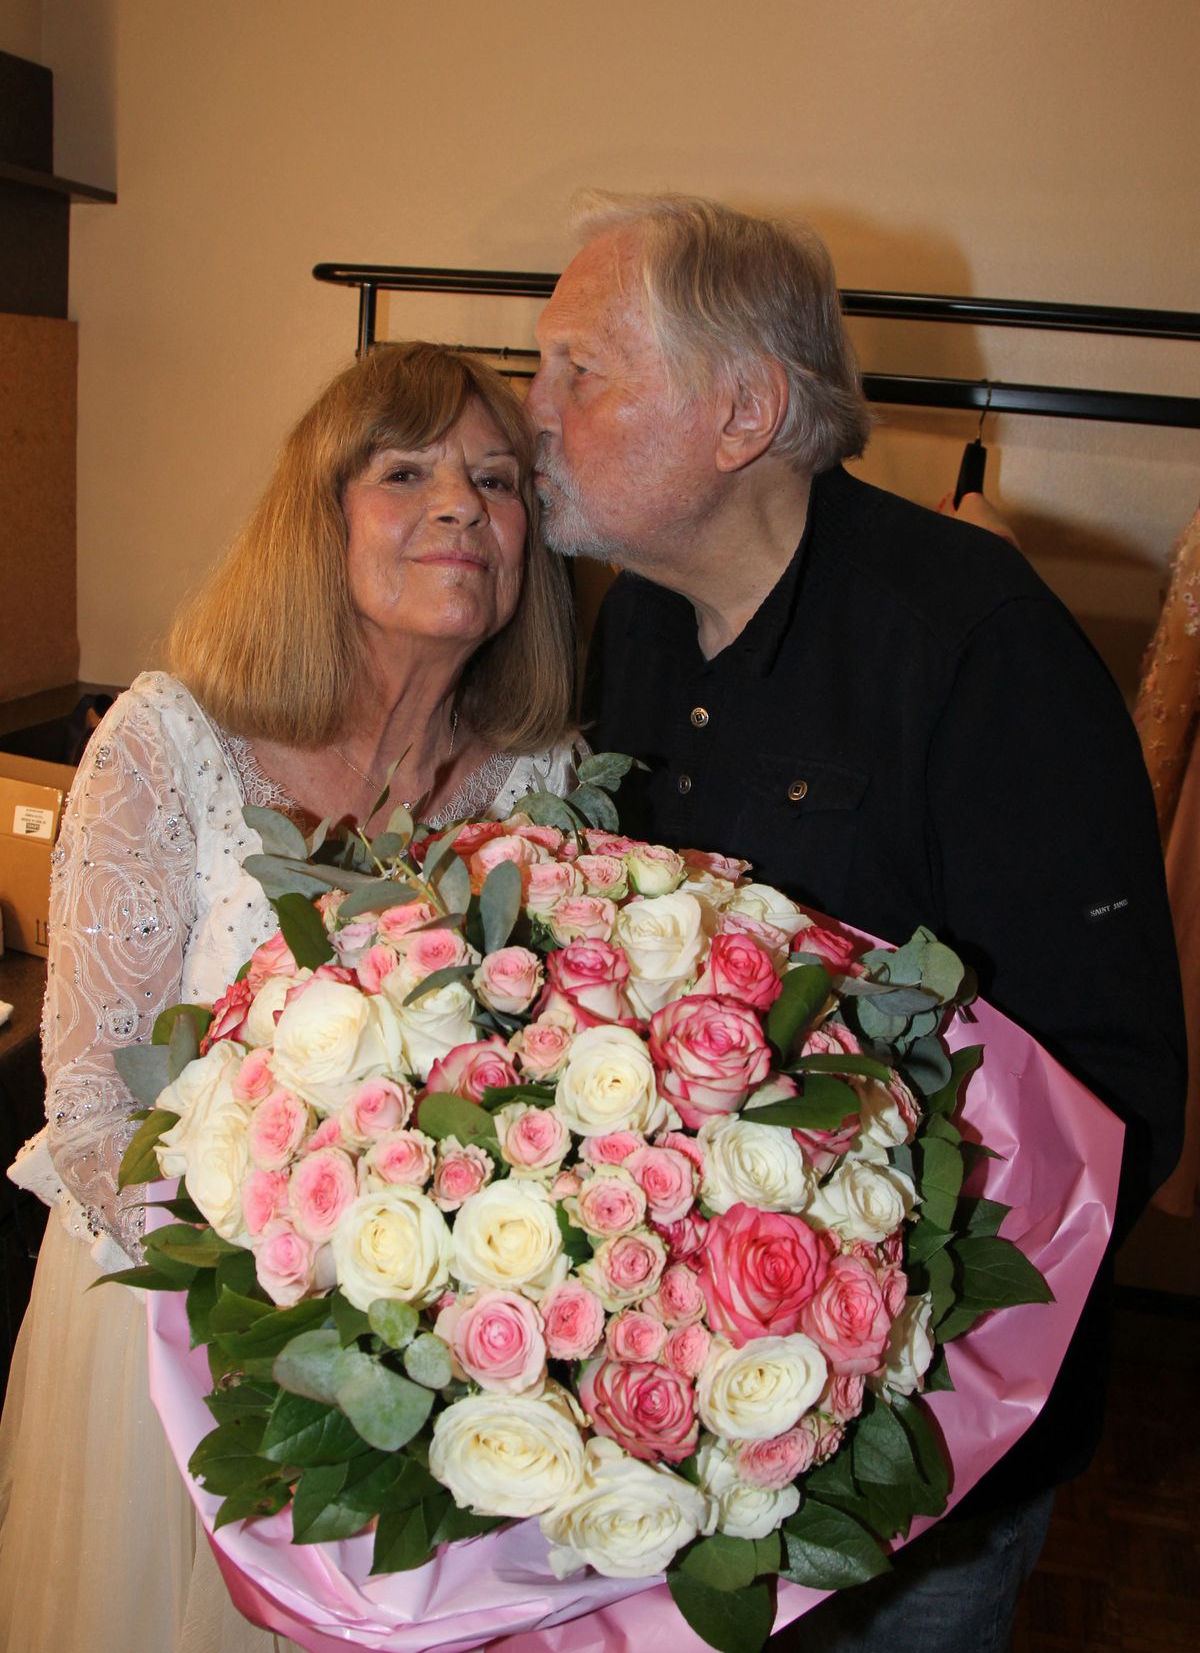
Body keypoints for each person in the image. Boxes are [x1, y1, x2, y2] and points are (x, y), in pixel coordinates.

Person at [527, 191, 1186, 1652]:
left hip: (919, 1469)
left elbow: (1112, 1093)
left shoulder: (975, 645)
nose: (538, 414)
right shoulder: (633, 619)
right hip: (675, 1436)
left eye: (584, 371)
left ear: (743, 411)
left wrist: (868, 1365)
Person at [0, 342, 578, 1653]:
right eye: (406, 470)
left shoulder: (545, 786)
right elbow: (90, 1100)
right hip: (181, 1355)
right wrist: (272, 1303)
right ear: (316, 517)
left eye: (496, 479)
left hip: (431, 1364)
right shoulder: (168, 746)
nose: (460, 506)